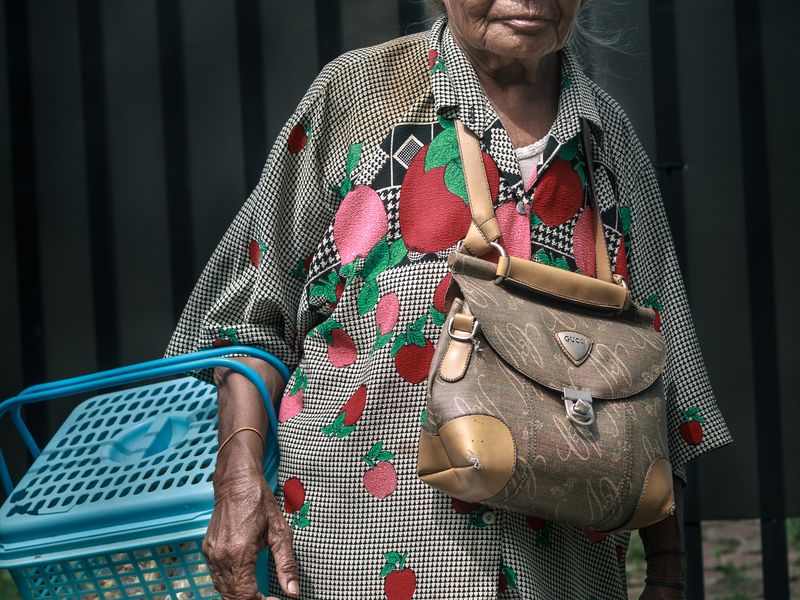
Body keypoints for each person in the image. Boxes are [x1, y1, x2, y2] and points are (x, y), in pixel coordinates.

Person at [166, 1, 732, 598]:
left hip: (563, 566)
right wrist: (237, 483)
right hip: (364, 548)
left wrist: (667, 569)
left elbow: (656, 376)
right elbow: (251, 320)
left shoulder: (605, 140)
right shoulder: (359, 97)